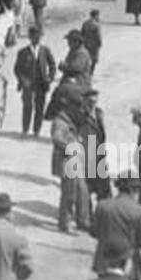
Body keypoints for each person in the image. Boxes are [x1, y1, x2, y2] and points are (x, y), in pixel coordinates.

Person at [90, 170, 141, 280]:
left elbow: (94, 232)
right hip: (128, 265)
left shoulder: (102, 206)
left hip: (104, 263)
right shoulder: (139, 211)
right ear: (133, 190)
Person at [52, 97, 90, 234]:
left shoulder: (72, 120)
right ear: (71, 108)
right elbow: (57, 139)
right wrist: (71, 147)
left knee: (82, 190)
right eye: (78, 108)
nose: (80, 111)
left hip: (76, 162)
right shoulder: (60, 122)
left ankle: (82, 220)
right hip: (67, 161)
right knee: (69, 193)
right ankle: (64, 222)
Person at [13, 27, 56, 137]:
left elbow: (52, 65)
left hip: (41, 84)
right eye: (33, 37)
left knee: (39, 107)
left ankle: (37, 130)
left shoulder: (45, 50)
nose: (36, 39)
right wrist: (23, 80)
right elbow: (17, 69)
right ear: (30, 37)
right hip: (28, 84)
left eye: (38, 37)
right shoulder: (22, 52)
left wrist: (50, 78)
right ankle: (25, 129)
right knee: (27, 107)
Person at [80, 9, 102, 76]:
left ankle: (84, 71)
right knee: (94, 59)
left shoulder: (85, 23)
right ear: (96, 16)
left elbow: (82, 33)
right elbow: (98, 36)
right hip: (94, 44)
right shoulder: (96, 25)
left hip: (86, 43)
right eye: (98, 15)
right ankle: (90, 72)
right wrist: (100, 43)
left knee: (86, 57)